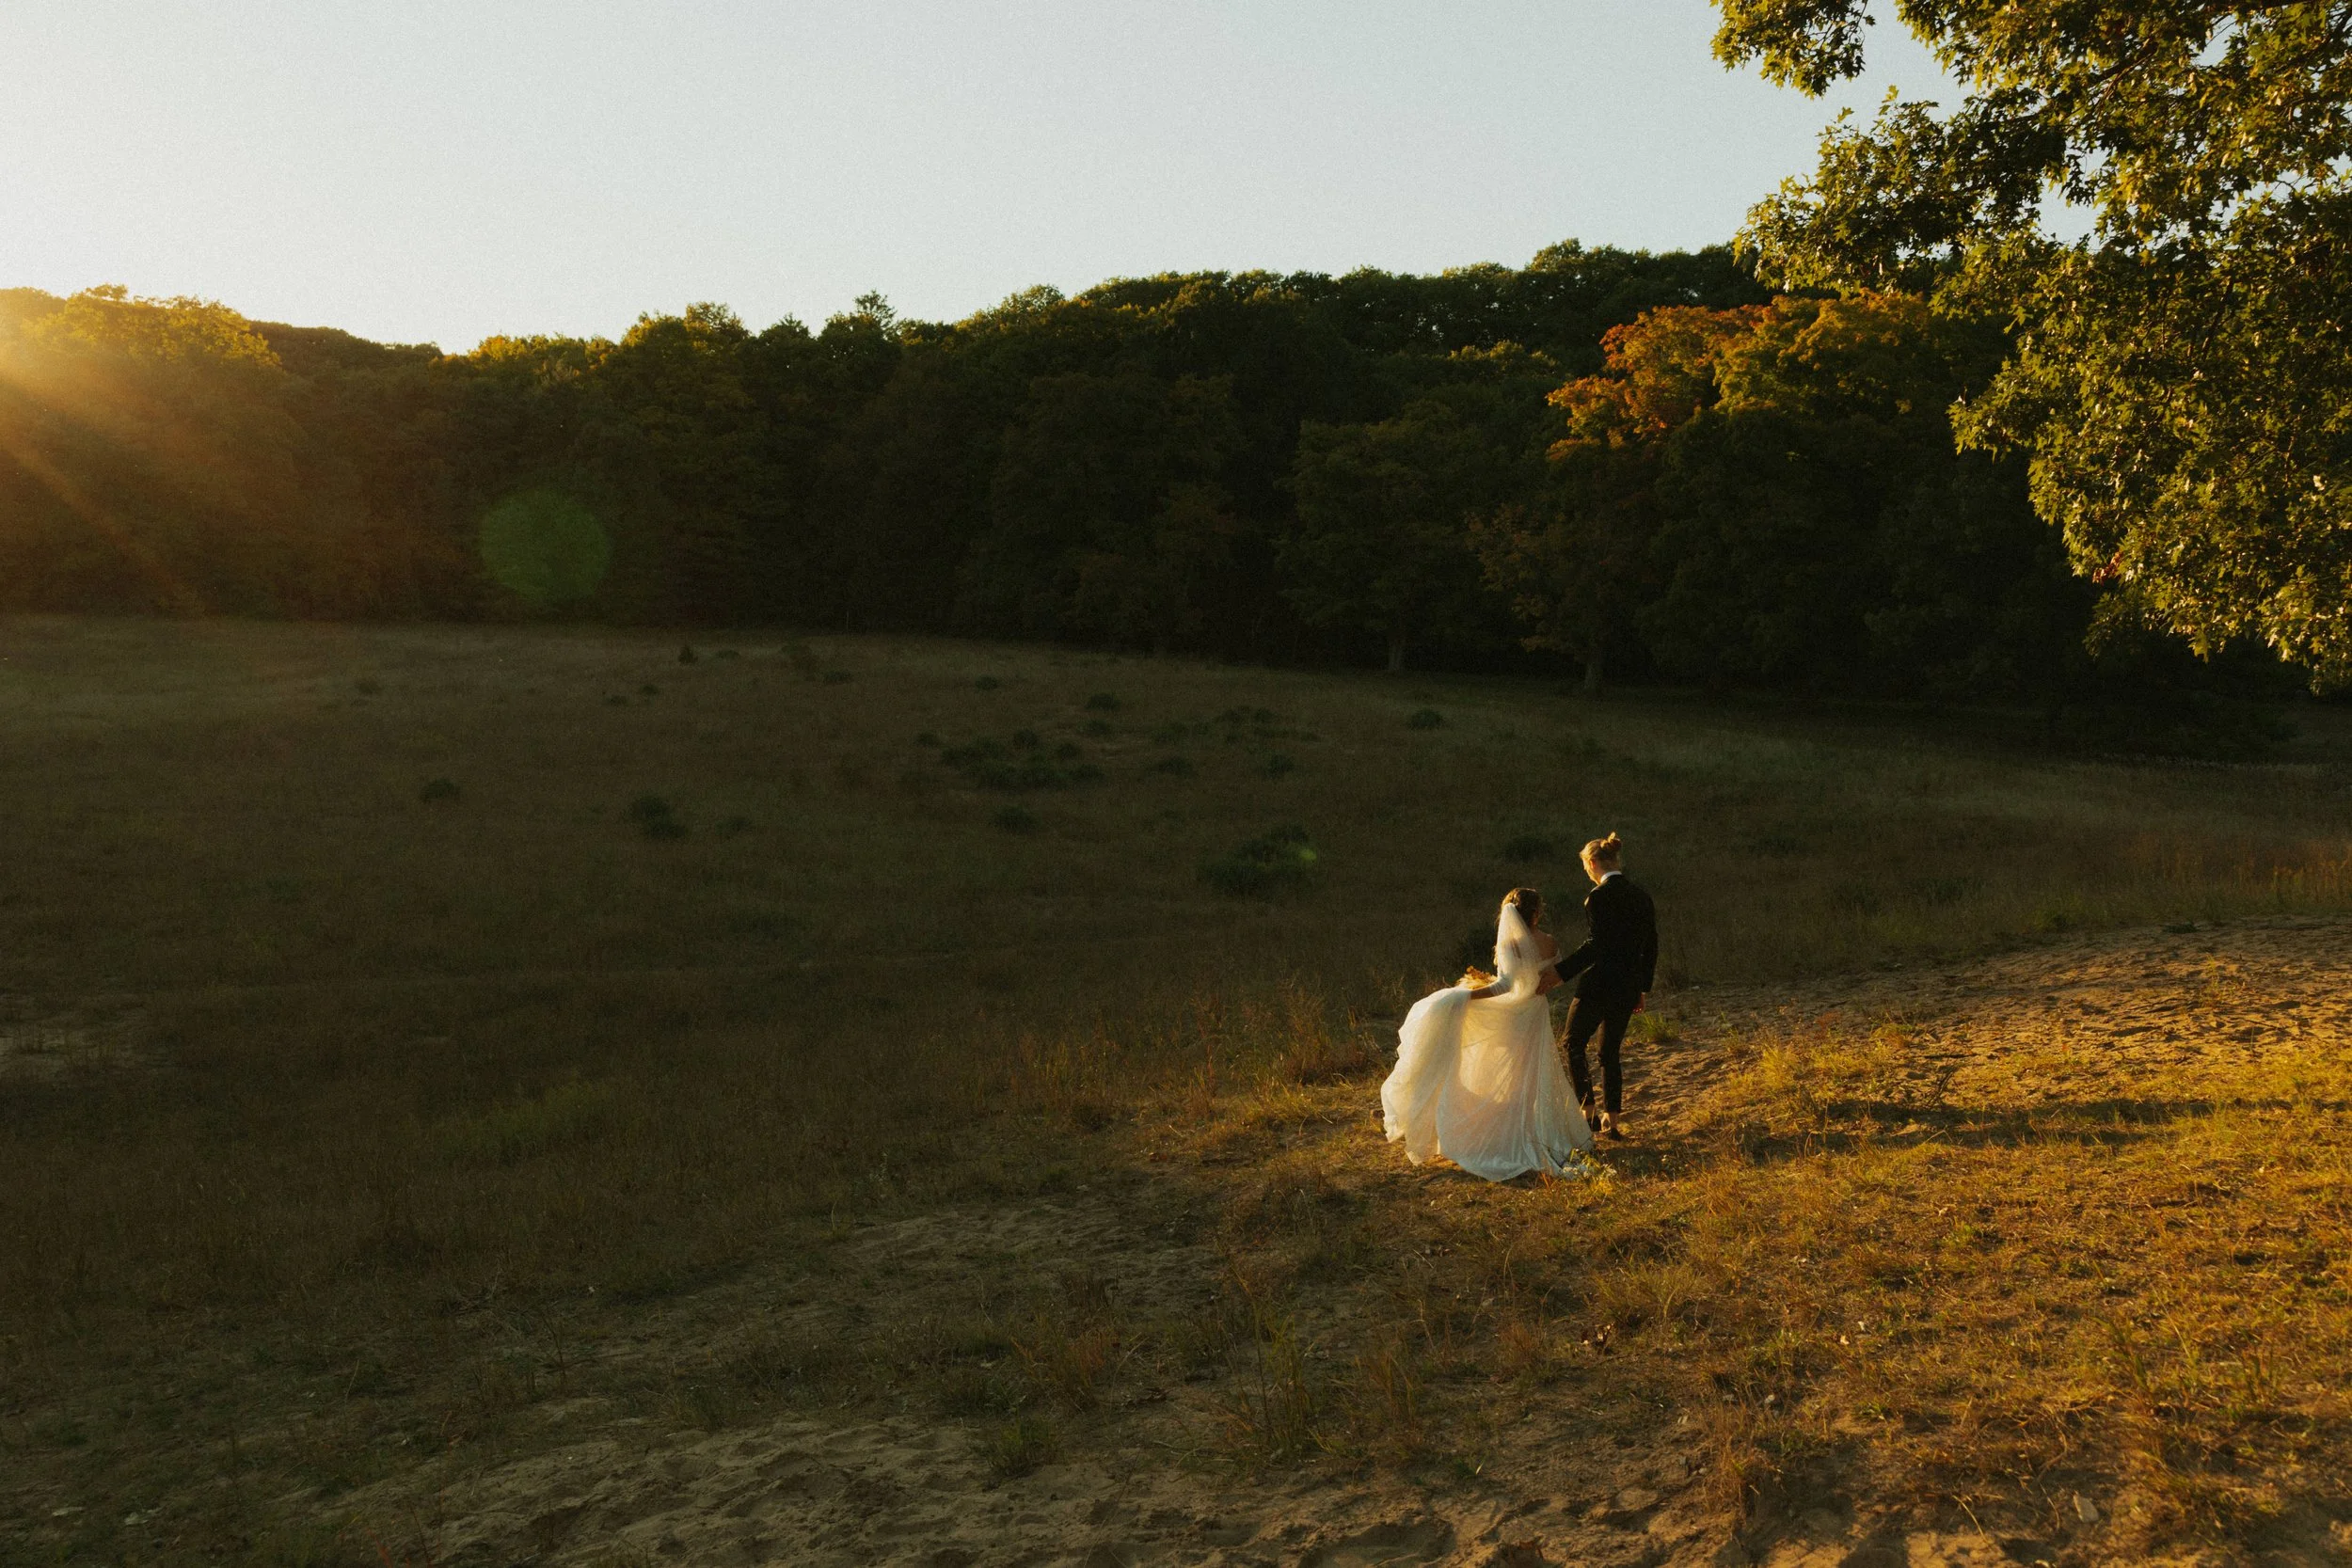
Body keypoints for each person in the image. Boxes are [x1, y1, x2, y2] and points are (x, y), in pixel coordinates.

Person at [1381, 888, 1593, 1180]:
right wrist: (1533, 990)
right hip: (1535, 1011)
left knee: (1502, 1071)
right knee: (1532, 1072)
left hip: (1514, 1013)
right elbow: (1550, 979)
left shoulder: (1512, 943)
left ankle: (1506, 1133)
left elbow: (1504, 987)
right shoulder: (1550, 941)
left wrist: (1465, 997)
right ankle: (1535, 1129)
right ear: (1537, 913)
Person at [1553, 832, 1659, 1140]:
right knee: (1609, 1052)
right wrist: (1642, 987)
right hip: (1628, 986)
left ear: (1593, 862)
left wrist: (1561, 973)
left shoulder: (1596, 898)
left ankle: (1587, 1114)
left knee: (1573, 1042)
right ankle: (1612, 1123)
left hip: (1599, 984)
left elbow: (1595, 946)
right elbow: (1650, 946)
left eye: (1586, 866)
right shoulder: (1641, 896)